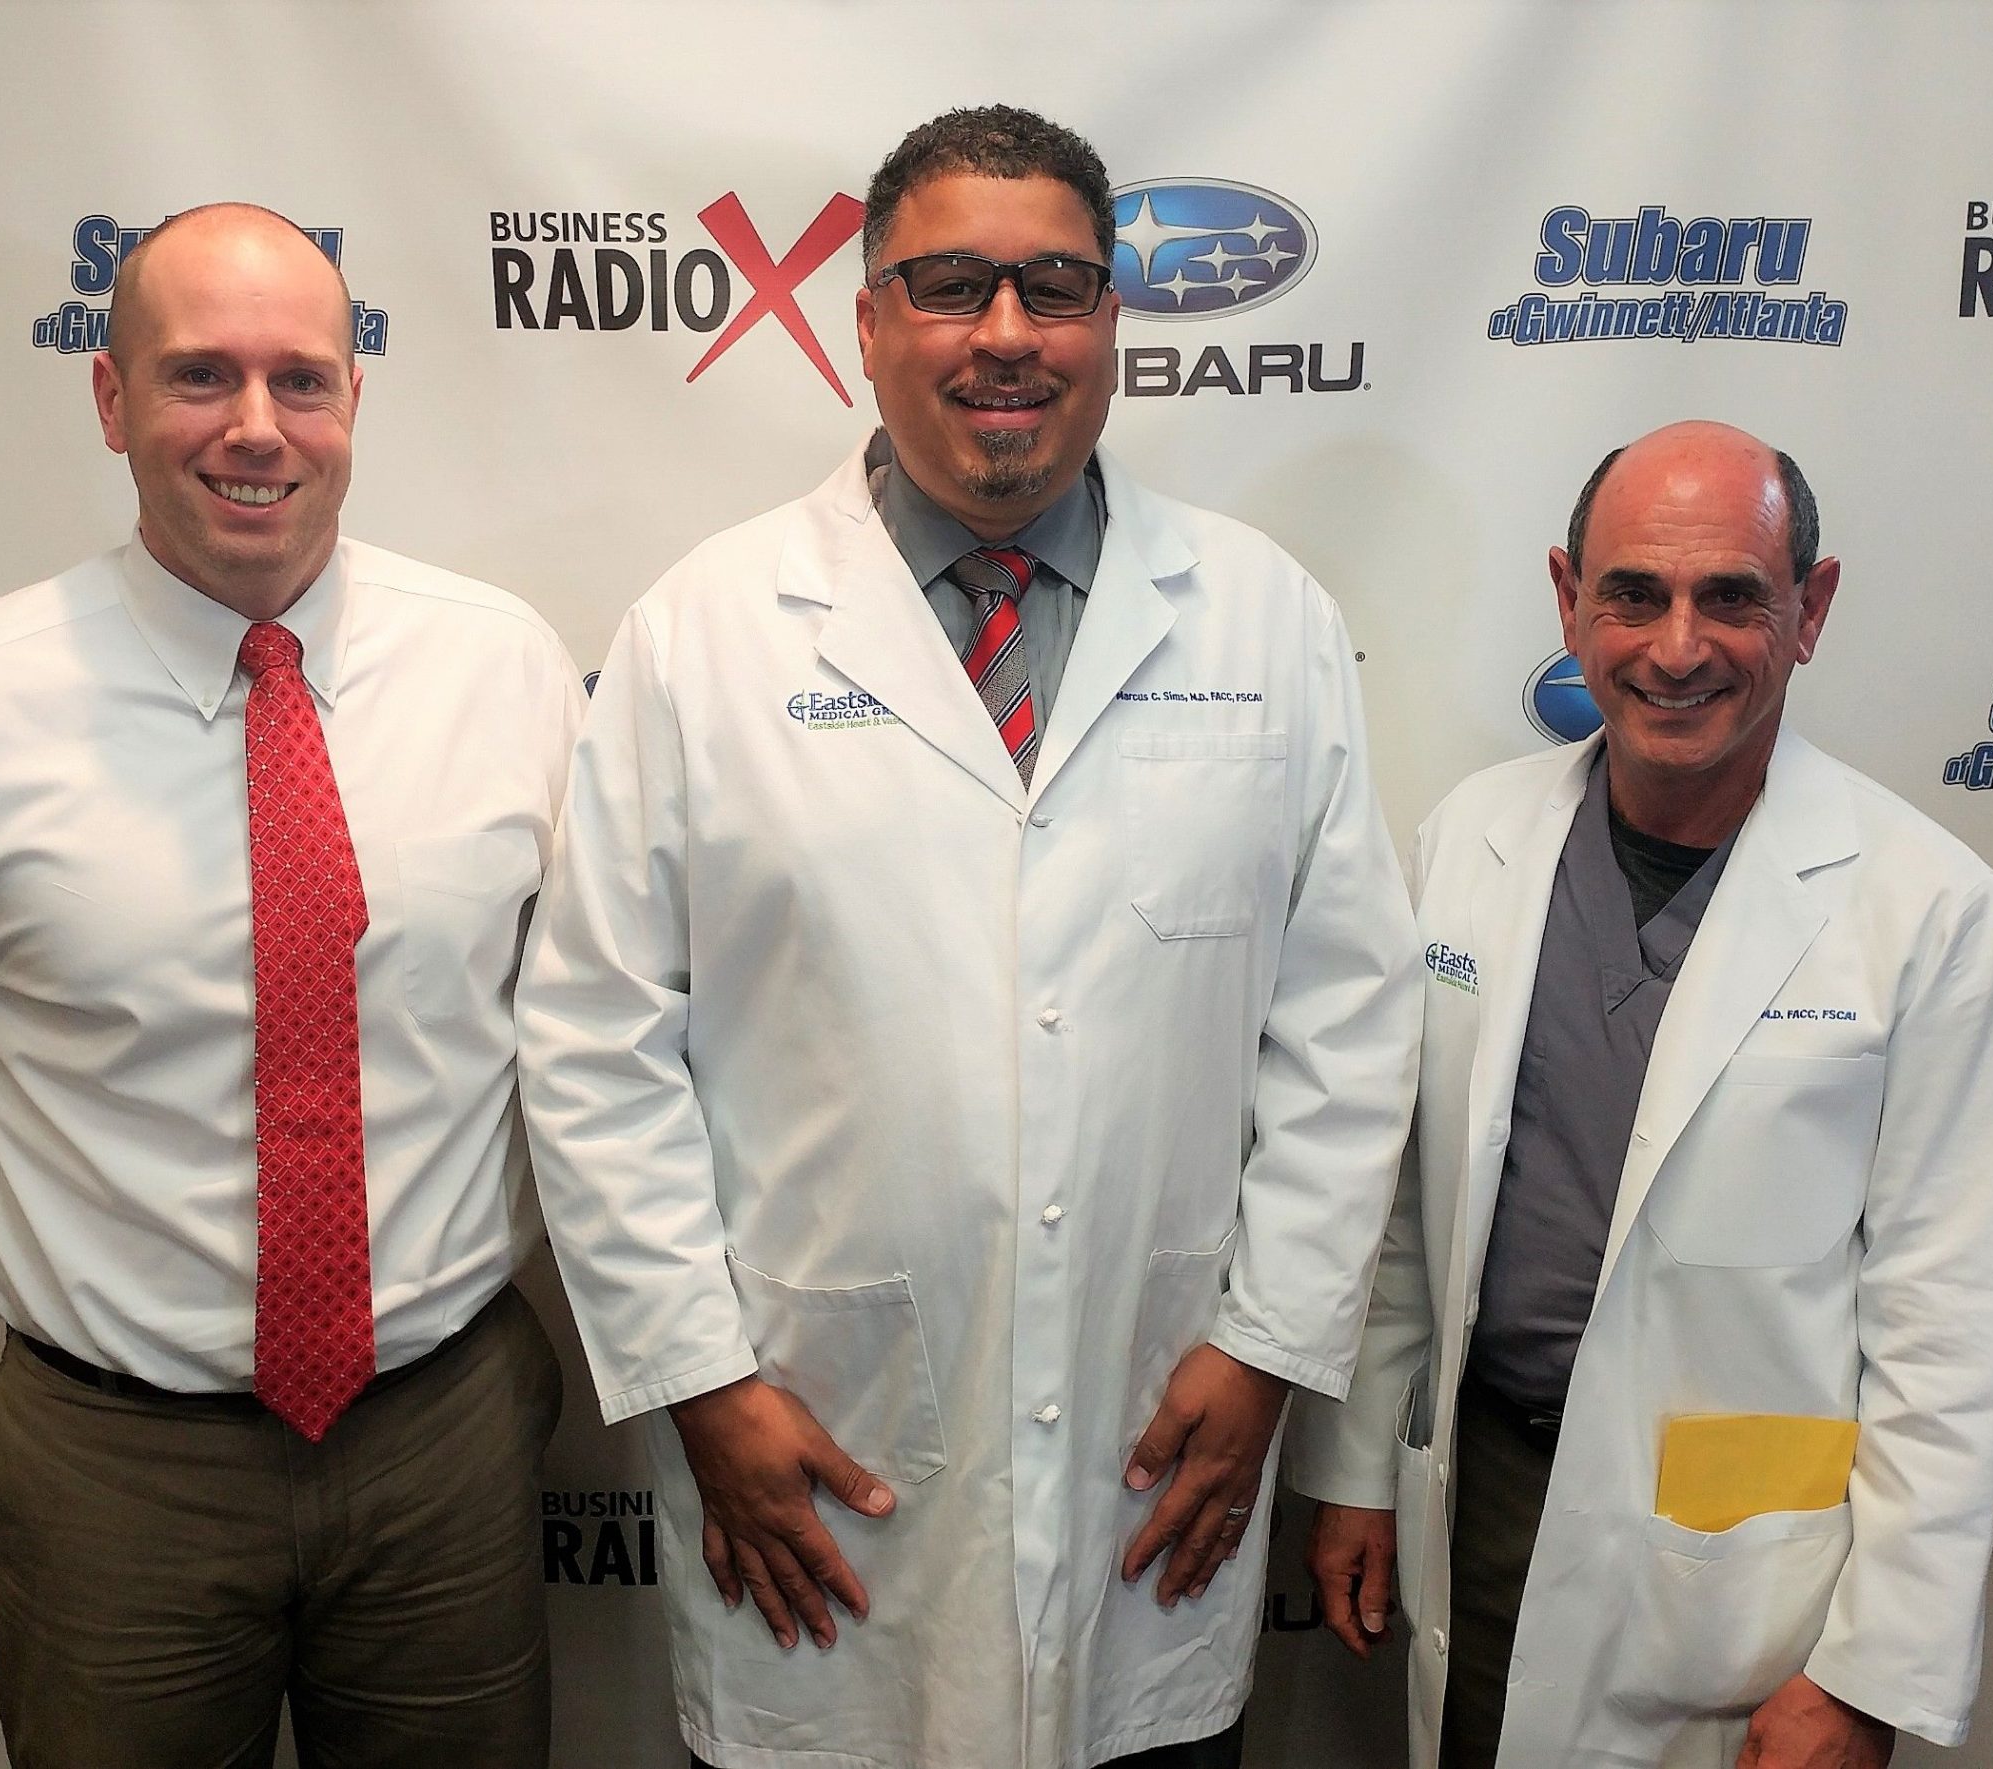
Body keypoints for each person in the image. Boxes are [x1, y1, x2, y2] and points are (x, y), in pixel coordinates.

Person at [513, 106, 1420, 1769]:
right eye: (950, 285)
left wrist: (1269, 1346)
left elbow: (1349, 1020)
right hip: (815, 1452)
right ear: (868, 322)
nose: (1007, 332)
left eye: (1054, 286)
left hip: (1158, 1456)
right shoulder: (706, 632)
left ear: (1111, 323)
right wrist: (701, 1382)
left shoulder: (1263, 618)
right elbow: (594, 1038)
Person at [0, 203, 579, 1769]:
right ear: (111, 398)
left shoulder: (506, 671)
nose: (256, 427)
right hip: (113, 1467)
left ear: (354, 399)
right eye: (200, 374)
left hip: (445, 1438)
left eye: (301, 379)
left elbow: (581, 1018)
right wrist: (96, 1228)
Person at [1289, 421, 1993, 1769]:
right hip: (1484, 1500)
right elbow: (1404, 1215)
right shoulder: (1470, 840)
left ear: (1812, 609)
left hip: (1752, 1584)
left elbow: (1949, 1332)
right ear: (1569, 598)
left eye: (1730, 597)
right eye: (1634, 594)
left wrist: (1872, 1673)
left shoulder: (1930, 911)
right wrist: (1352, 1470)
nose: (1677, 648)